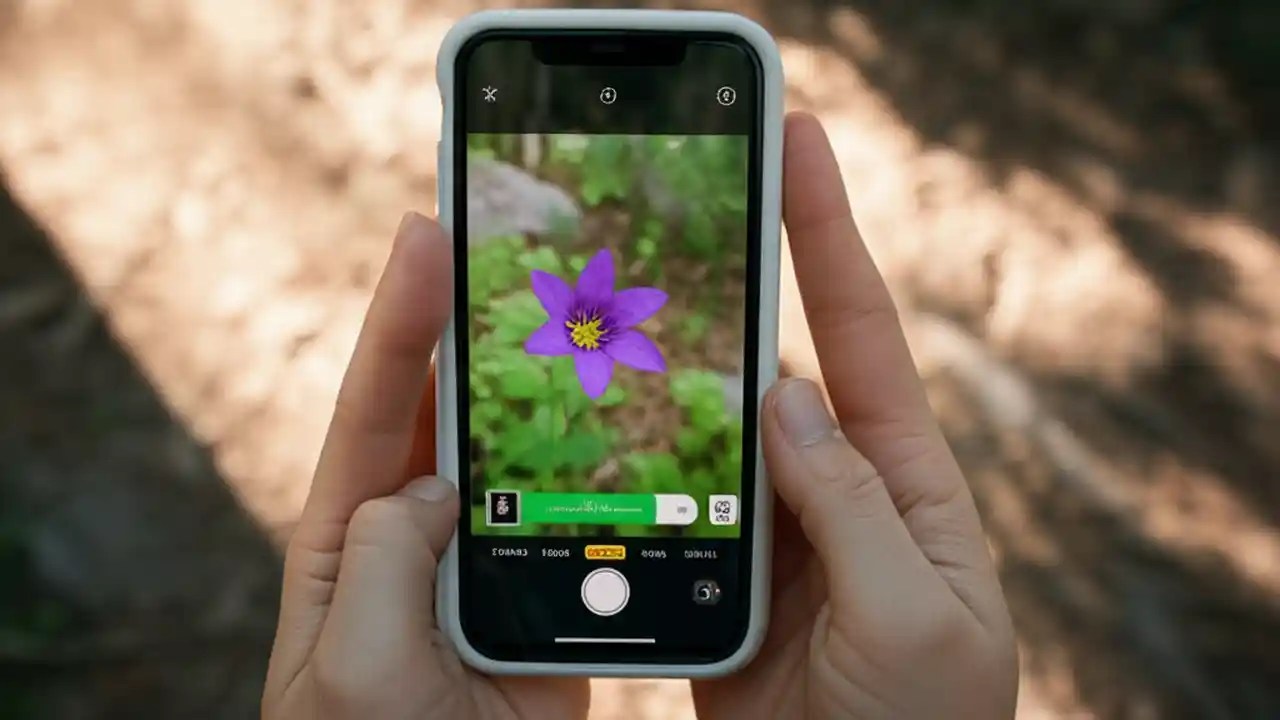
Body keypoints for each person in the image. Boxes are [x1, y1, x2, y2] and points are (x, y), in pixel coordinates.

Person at [261, 113, 1018, 719]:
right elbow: (564, 330)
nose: (588, 331)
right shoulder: (563, 328)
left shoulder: (609, 339)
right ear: (569, 321)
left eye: (596, 327)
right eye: (580, 327)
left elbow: (610, 339)